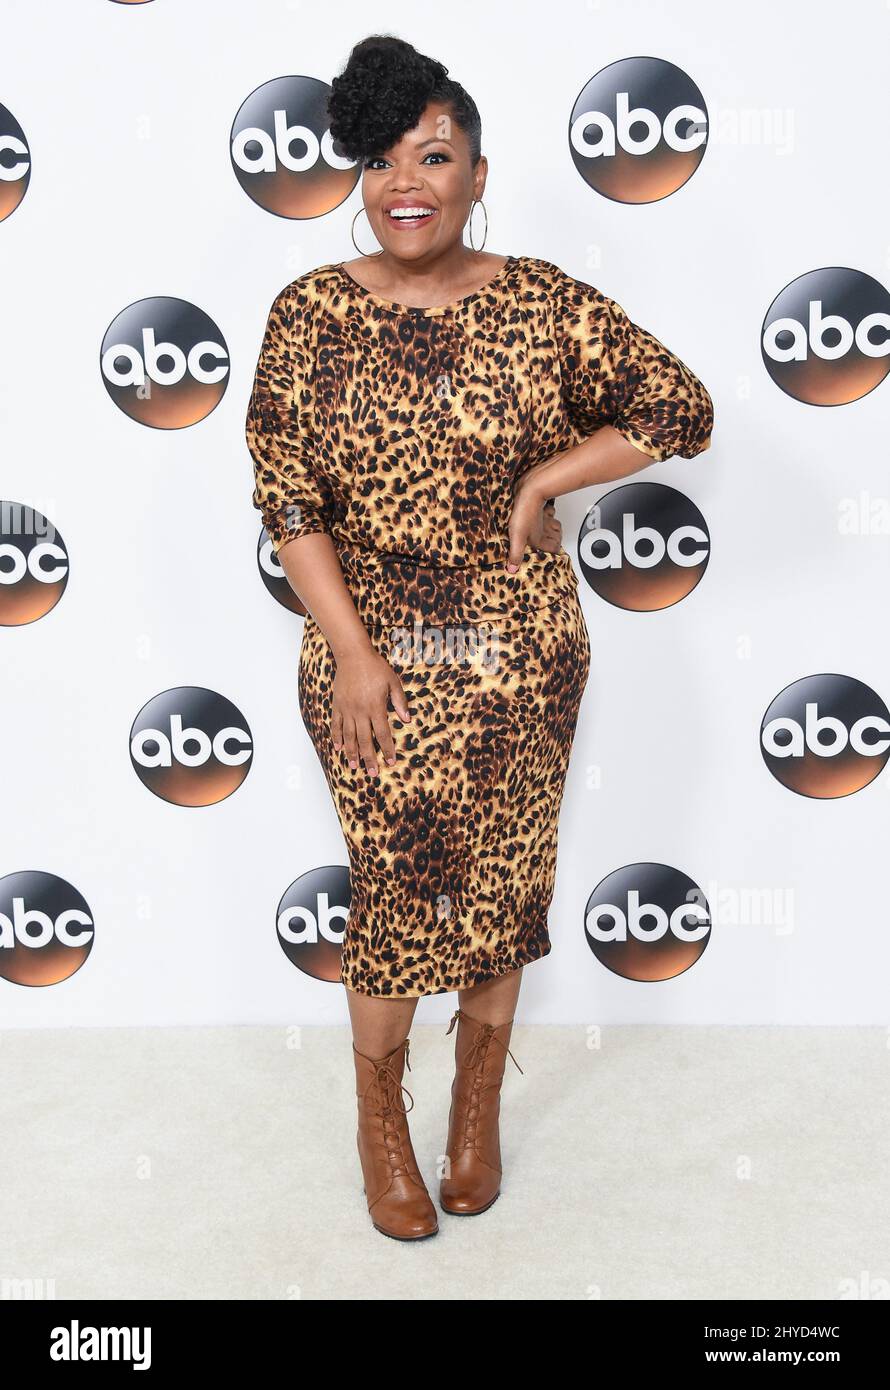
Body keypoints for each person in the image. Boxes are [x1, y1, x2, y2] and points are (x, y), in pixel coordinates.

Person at [245, 34, 714, 1241]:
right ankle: (379, 1125)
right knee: (398, 890)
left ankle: (471, 1113)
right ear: (357, 179)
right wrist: (351, 651)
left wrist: (547, 475)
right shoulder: (306, 315)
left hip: (514, 642)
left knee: (503, 882)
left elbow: (680, 407)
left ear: (477, 173)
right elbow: (289, 502)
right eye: (384, 161)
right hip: (373, 643)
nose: (408, 182)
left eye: (435, 156)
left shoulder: (544, 302)